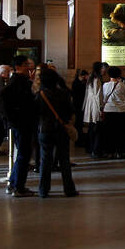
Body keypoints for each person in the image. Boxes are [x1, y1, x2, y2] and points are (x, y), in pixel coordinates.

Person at [32, 66, 78, 198]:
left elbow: (35, 113)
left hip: (45, 129)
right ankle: (69, 189)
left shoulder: (39, 95)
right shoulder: (64, 94)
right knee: (64, 160)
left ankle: (43, 190)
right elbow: (70, 111)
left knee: (45, 160)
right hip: (61, 129)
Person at [2, 57, 38, 196]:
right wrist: (13, 118)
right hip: (22, 123)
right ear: (18, 67)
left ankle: (13, 183)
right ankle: (18, 187)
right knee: (24, 154)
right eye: (26, 65)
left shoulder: (18, 81)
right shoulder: (18, 82)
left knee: (23, 154)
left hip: (20, 122)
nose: (28, 68)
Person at [101, 65, 125, 158]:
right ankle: (120, 152)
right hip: (121, 111)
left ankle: (110, 152)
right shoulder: (122, 85)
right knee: (121, 132)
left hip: (109, 110)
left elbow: (104, 98)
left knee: (109, 133)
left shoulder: (105, 85)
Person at [82, 61, 106, 157]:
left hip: (90, 106)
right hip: (95, 107)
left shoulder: (91, 78)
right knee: (97, 130)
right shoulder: (97, 80)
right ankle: (96, 151)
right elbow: (98, 96)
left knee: (92, 129)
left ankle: (91, 149)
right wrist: (101, 109)